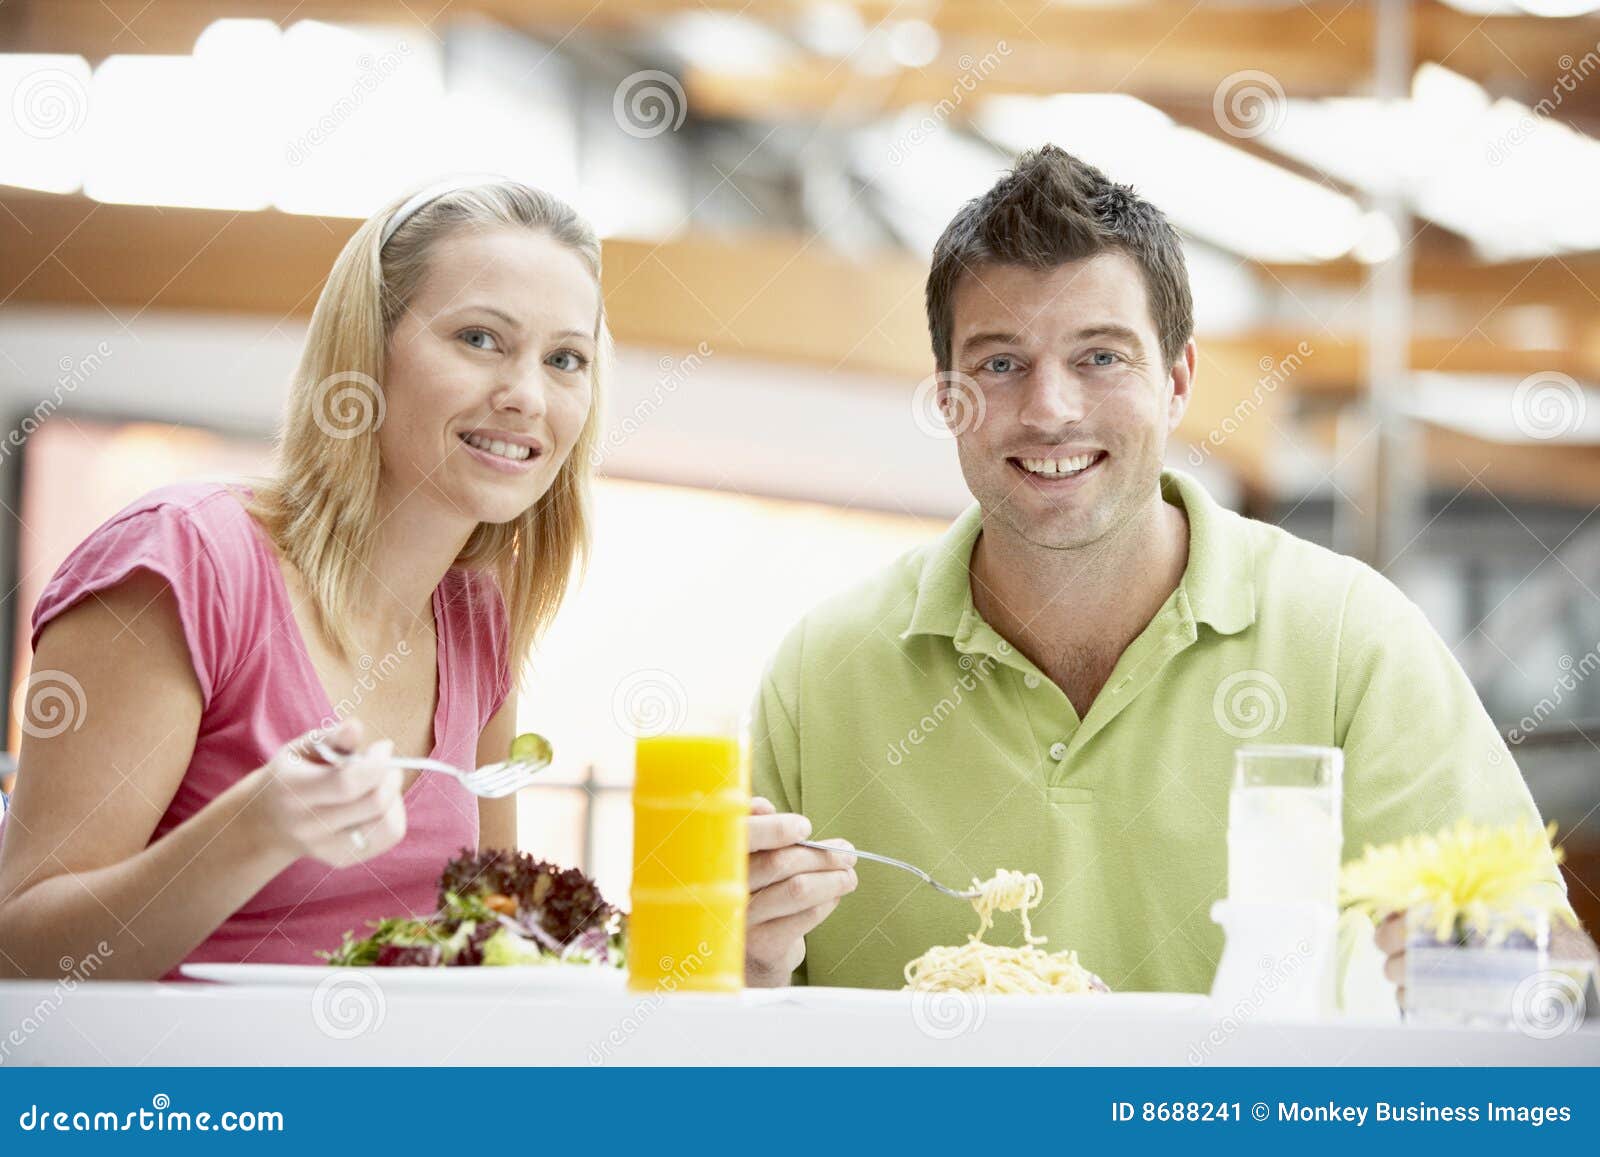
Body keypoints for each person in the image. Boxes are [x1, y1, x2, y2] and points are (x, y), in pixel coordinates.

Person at [744, 145, 1593, 993]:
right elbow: (716, 1036)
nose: (1051, 410)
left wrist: (1502, 972)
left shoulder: (1349, 642)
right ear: (947, 397)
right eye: (1001, 363)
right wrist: (737, 963)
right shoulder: (820, 675)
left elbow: (1550, 984)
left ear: (1179, 380)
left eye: (1101, 357)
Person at [0, 179, 608, 980]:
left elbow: (491, 949)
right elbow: (18, 951)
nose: (528, 395)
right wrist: (252, 832)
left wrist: (717, 948)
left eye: (565, 359)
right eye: (480, 339)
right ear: (367, 352)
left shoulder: (475, 620)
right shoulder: (185, 561)